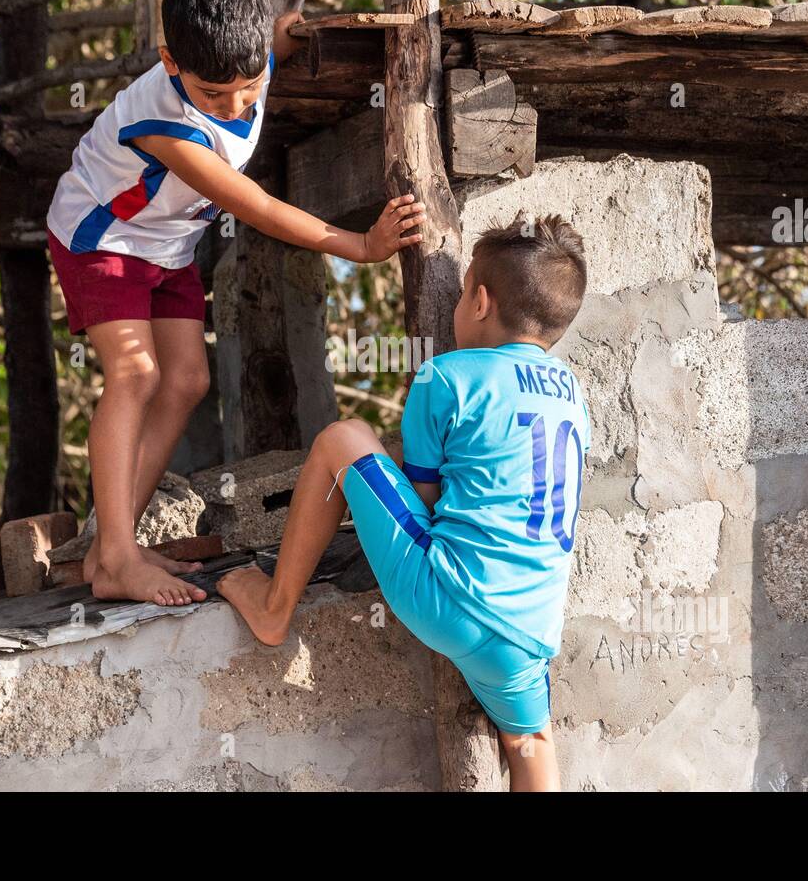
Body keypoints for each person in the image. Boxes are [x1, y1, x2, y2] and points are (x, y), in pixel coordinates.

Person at [45, 0, 425, 606]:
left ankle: (116, 547)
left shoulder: (249, 59)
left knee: (187, 379)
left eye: (248, 87)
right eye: (213, 93)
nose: (235, 105)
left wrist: (298, 31)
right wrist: (358, 245)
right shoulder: (166, 123)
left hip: (167, 246)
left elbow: (279, 34)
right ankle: (113, 555)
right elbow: (255, 206)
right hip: (101, 238)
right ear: (170, 63)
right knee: (135, 375)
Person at [218, 215, 590, 791]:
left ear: (481, 301)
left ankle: (273, 609)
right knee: (531, 745)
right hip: (530, 628)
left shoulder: (446, 376)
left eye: (462, 291)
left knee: (343, 438)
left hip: (447, 596)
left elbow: (423, 499)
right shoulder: (573, 398)